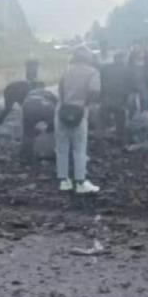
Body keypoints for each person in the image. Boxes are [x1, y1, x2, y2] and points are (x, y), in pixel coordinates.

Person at [55, 46, 102, 193]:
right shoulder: (92, 72)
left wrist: (63, 104)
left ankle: (64, 181)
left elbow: (60, 89)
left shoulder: (66, 70)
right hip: (79, 112)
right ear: (88, 58)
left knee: (62, 148)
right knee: (79, 148)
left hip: (62, 111)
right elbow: (95, 90)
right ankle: (80, 182)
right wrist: (85, 103)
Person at [99, 51, 132, 144]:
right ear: (122, 59)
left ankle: (102, 138)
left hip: (106, 98)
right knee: (120, 120)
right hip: (119, 99)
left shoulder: (105, 68)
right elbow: (129, 85)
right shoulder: (127, 70)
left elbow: (101, 82)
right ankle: (119, 138)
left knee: (104, 120)